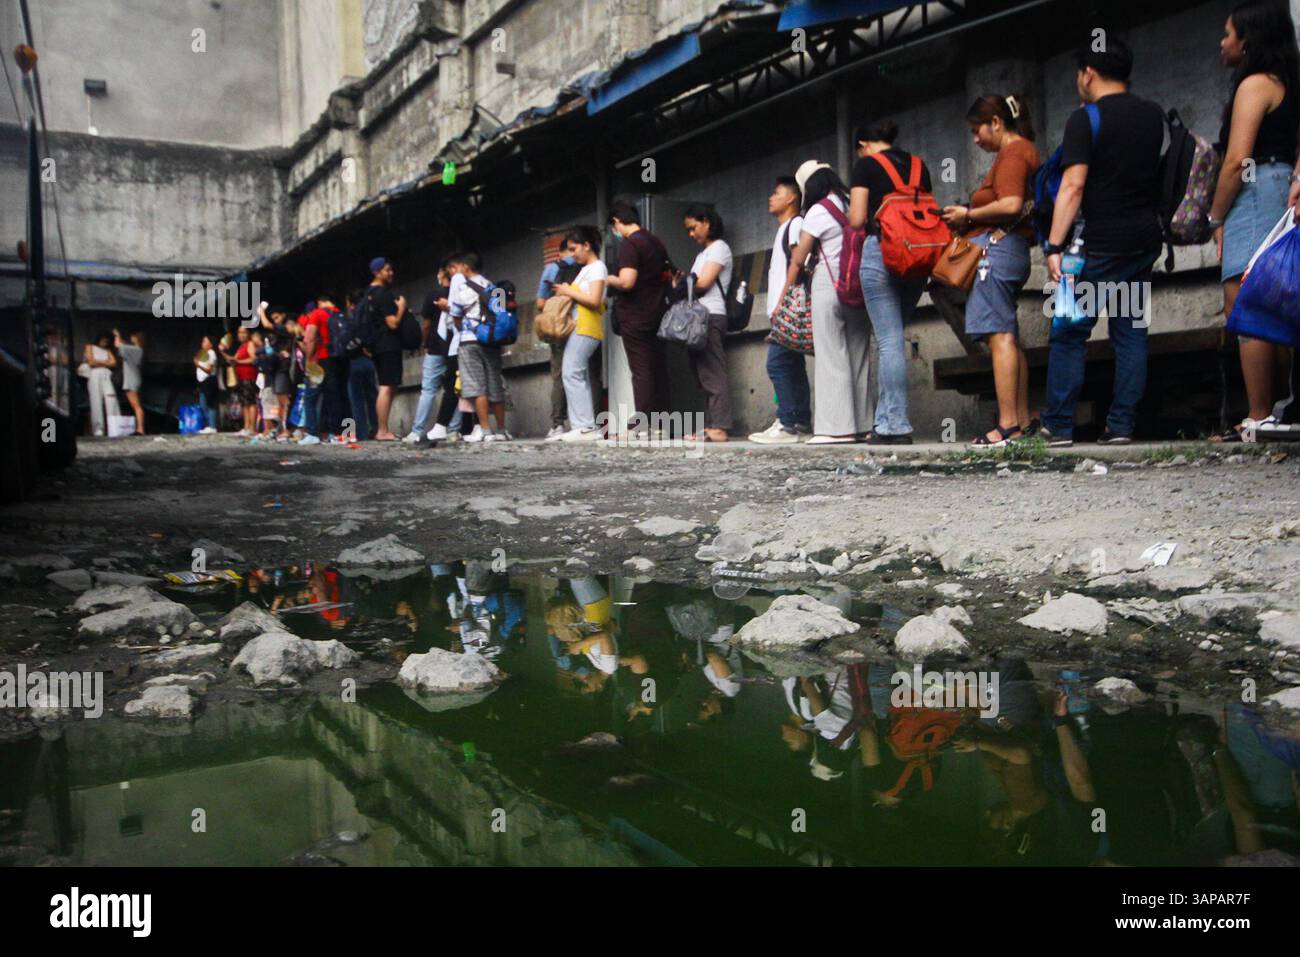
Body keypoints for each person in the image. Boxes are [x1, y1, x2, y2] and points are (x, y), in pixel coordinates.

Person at [1041, 36, 1165, 447]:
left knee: (1068, 330)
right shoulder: (1152, 115)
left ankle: (1058, 425)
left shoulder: (1085, 119)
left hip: (1098, 247)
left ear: (1088, 73)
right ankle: (1121, 426)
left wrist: (1054, 246)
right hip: (1144, 241)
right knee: (1129, 331)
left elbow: (1073, 187)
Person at [1208, 0, 1300, 443]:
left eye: (1228, 33)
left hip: (1256, 188)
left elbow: (1236, 160)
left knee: (1246, 302)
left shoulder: (1254, 85)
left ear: (1248, 41)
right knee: (1279, 300)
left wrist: (1215, 214)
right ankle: (1279, 410)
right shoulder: (1288, 83)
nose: (1222, 42)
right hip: (1282, 184)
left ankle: (1259, 414)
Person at [941, 96, 1043, 448]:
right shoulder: (1026, 149)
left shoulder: (1013, 153)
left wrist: (967, 215)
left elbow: (1012, 204)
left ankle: (1007, 426)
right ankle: (1024, 420)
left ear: (996, 123)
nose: (975, 139)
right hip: (1011, 250)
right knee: (1009, 337)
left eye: (977, 130)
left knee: (999, 337)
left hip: (997, 253)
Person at [846, 121, 930, 445]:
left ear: (864, 143)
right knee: (894, 338)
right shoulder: (919, 166)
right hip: (918, 255)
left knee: (889, 340)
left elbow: (856, 219)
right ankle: (886, 420)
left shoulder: (865, 166)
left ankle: (893, 424)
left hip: (882, 251)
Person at [786, 161, 868, 444]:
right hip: (858, 285)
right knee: (859, 355)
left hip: (829, 285)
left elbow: (800, 256)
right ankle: (862, 425)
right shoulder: (850, 202)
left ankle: (836, 428)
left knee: (832, 355)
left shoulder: (818, 210)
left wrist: (803, 262)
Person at [750, 176, 811, 444]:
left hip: (788, 309)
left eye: (776, 193)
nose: (770, 198)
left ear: (791, 198)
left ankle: (787, 424)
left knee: (777, 364)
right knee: (792, 365)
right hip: (784, 308)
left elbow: (798, 265)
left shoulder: (796, 224)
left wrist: (781, 302)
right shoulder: (785, 227)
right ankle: (800, 421)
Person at [605, 201, 672, 433]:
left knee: (641, 369)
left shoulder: (631, 244)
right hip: (658, 313)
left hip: (635, 316)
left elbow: (627, 281)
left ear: (616, 221)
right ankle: (662, 422)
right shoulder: (656, 241)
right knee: (658, 367)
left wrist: (606, 278)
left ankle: (644, 423)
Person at [678, 203, 733, 442]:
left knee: (713, 372)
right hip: (698, 318)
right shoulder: (702, 254)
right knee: (702, 373)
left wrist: (685, 283)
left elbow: (703, 283)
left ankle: (719, 426)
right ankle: (711, 425)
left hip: (711, 316)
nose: (691, 234)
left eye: (693, 228)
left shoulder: (719, 248)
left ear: (707, 222)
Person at [446, 251, 509, 441]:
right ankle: (501, 430)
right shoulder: (495, 288)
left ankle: (485, 430)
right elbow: (501, 316)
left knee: (477, 386)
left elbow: (455, 317)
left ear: (466, 267)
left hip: (469, 342)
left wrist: (466, 328)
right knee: (495, 384)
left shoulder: (462, 289)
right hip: (492, 341)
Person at [554, 226, 608, 442]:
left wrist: (568, 290)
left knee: (571, 373)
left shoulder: (597, 268)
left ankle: (584, 426)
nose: (572, 253)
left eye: (574, 248)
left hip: (586, 326)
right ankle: (585, 426)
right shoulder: (589, 268)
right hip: (583, 326)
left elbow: (595, 300)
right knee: (577, 374)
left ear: (587, 245)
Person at [406, 265, 464, 444]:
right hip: (454, 347)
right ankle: (453, 430)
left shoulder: (433, 295)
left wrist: (424, 343)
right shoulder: (459, 293)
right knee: (454, 388)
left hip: (435, 347)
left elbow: (426, 324)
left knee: (428, 390)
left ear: (441, 275)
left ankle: (417, 430)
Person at [536, 250, 580, 439]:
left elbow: (540, 303)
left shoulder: (553, 268)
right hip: (584, 324)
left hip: (560, 327)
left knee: (560, 375)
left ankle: (558, 424)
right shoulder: (590, 266)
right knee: (589, 374)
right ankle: (589, 422)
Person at [363, 257, 404, 441]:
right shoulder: (383, 294)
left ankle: (382, 429)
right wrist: (402, 308)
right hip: (388, 344)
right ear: (377, 272)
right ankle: (382, 430)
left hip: (376, 345)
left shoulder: (368, 294)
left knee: (386, 385)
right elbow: (393, 323)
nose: (391, 273)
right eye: (387, 270)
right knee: (387, 387)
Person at [80, 333, 120, 437]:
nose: (105, 341)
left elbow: (114, 363)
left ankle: (115, 427)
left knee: (111, 398)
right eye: (104, 339)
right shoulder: (90, 346)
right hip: (94, 374)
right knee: (96, 400)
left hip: (106, 374)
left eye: (107, 340)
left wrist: (100, 362)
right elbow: (91, 362)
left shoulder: (108, 351)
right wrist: (106, 362)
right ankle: (98, 429)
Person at [113, 328, 146, 435]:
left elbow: (118, 345)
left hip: (131, 380)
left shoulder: (135, 349)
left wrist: (117, 334)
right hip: (133, 379)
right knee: (136, 405)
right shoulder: (138, 350)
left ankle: (140, 429)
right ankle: (139, 428)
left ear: (136, 338)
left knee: (136, 406)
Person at [229, 325, 260, 437]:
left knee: (250, 402)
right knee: (244, 403)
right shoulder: (241, 346)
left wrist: (238, 362)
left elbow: (253, 359)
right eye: (239, 332)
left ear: (248, 334)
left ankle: (252, 428)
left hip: (249, 376)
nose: (241, 335)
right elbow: (235, 359)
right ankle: (246, 426)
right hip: (241, 377)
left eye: (244, 332)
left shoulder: (250, 344)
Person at [194, 334, 219, 434]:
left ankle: (212, 426)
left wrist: (198, 364)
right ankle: (209, 425)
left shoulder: (211, 353)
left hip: (209, 380)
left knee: (210, 403)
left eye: (205, 341)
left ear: (211, 344)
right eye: (203, 341)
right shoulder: (204, 353)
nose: (202, 343)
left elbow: (209, 369)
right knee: (203, 403)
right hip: (203, 381)